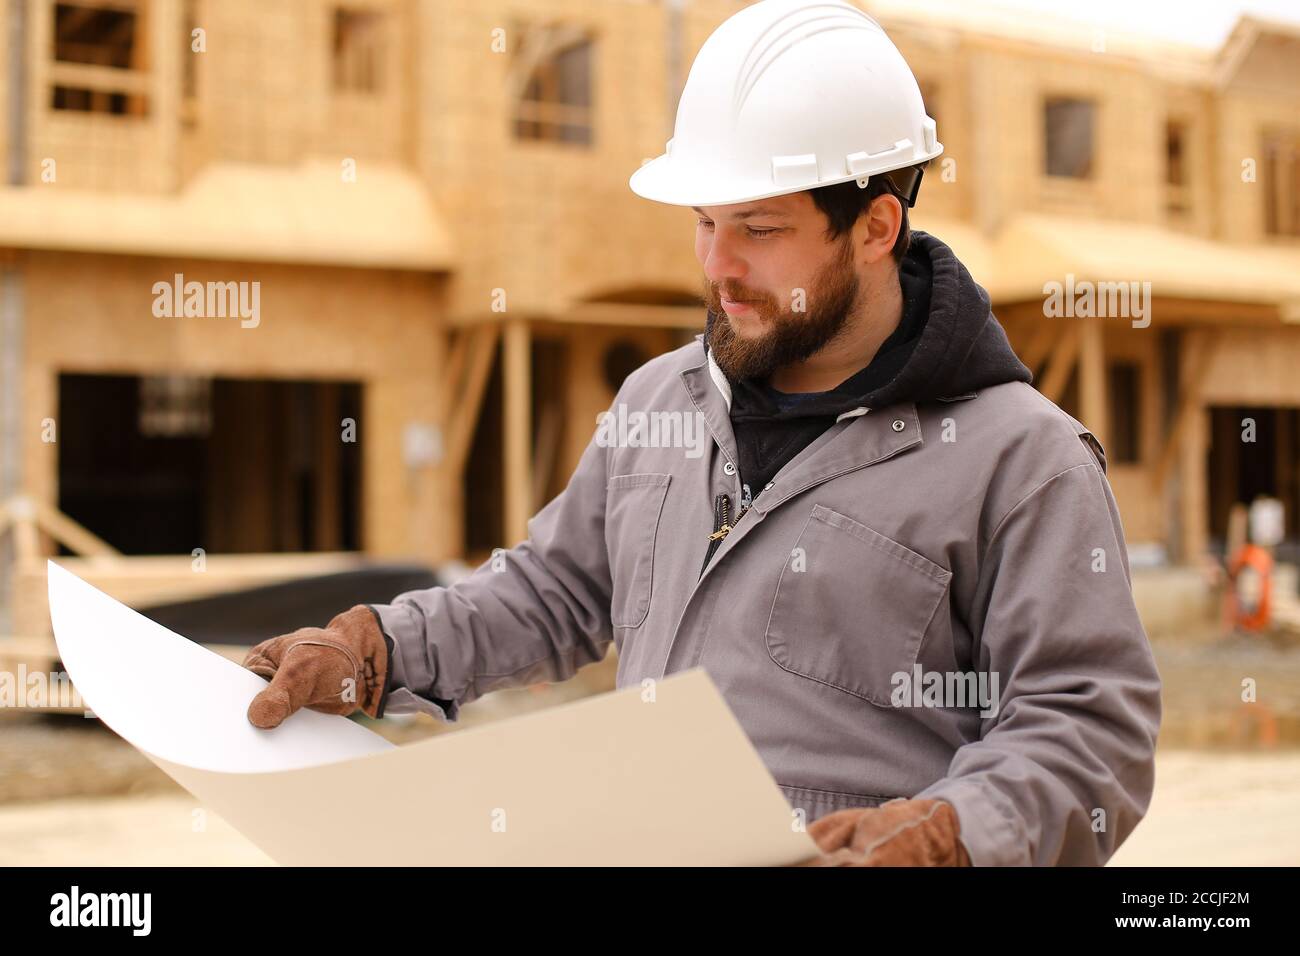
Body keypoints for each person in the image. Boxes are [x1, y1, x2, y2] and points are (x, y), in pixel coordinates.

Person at [243, 0, 1161, 867]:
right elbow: (552, 591)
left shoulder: (1021, 462)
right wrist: (381, 648)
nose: (719, 267)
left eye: (759, 229)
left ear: (877, 225)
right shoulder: (659, 401)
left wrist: (950, 833)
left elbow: (1088, 729)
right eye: (705, 225)